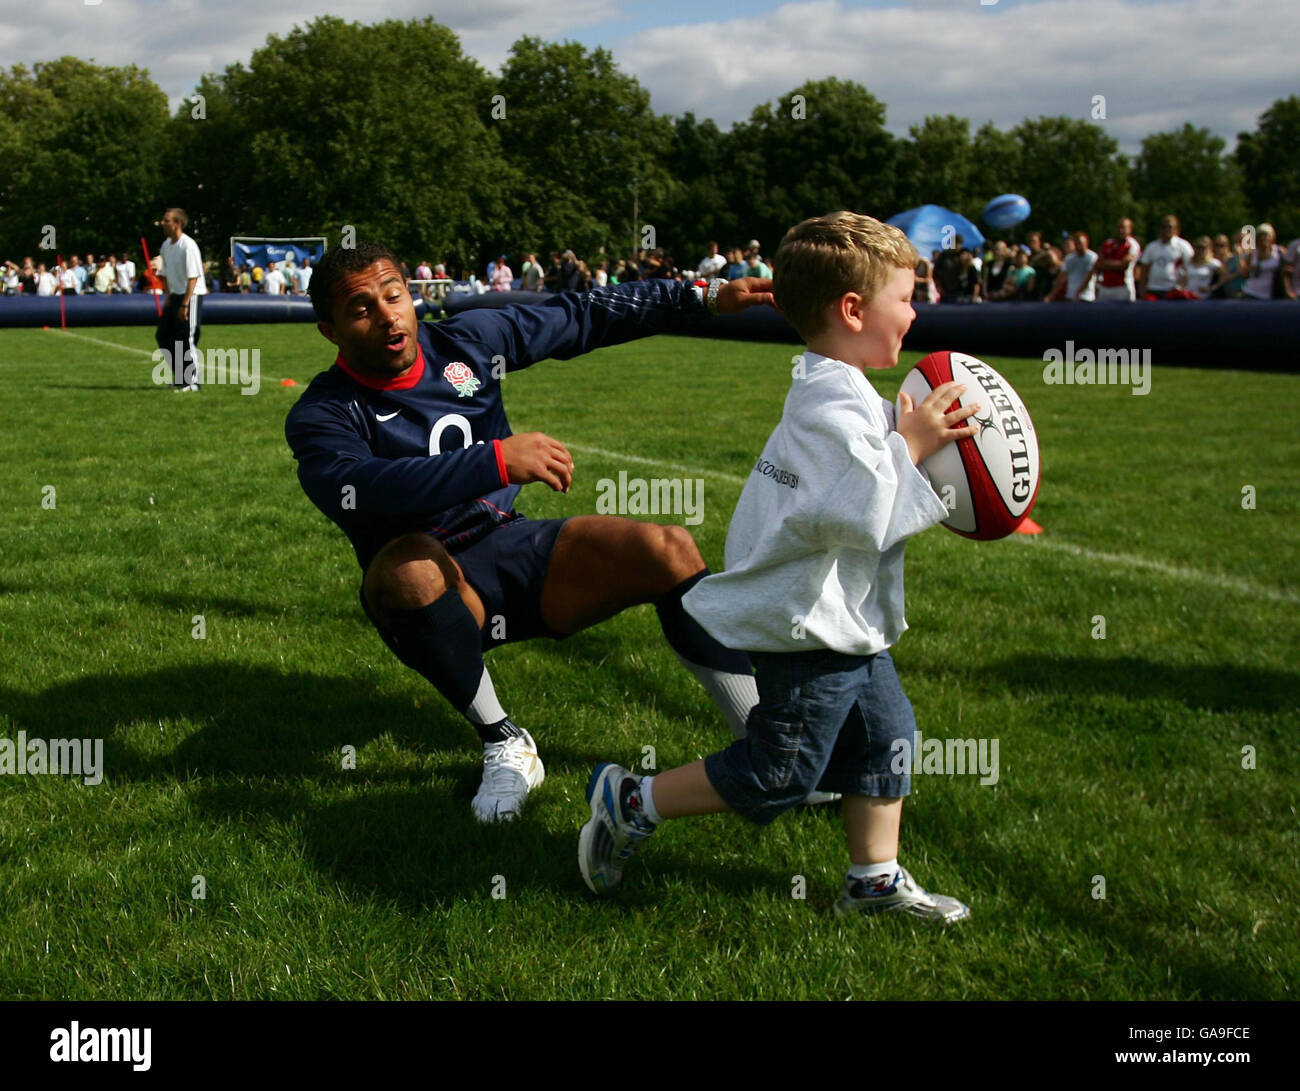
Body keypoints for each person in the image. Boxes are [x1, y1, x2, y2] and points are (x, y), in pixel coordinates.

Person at [285, 241, 777, 823]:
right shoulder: (324, 411)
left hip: (508, 546)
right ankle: (504, 741)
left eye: (394, 294)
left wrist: (699, 295)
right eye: (361, 308)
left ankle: (768, 750)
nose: (388, 314)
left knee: (665, 549)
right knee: (408, 568)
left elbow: (583, 313)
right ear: (330, 330)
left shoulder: (468, 342)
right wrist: (491, 462)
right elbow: (357, 487)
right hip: (430, 586)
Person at [577, 211, 977, 923]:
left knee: (886, 739)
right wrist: (909, 447)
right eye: (907, 297)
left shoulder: (849, 389)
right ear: (852, 310)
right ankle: (631, 799)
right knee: (780, 771)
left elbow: (868, 474)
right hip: (806, 625)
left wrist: (911, 432)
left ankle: (872, 881)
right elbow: (855, 508)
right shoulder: (826, 402)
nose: (918, 312)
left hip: (846, 620)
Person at [156, 207, 207, 392]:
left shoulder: (188, 245)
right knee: (163, 335)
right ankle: (180, 377)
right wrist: (169, 297)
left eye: (166, 220)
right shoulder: (166, 246)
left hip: (191, 295)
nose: (163, 223)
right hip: (176, 295)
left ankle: (192, 382)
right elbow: (166, 274)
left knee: (186, 338)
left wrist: (185, 304)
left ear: (177, 223)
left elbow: (193, 277)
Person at [1136, 215, 1193, 299]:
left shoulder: (1183, 246)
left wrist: (1182, 286)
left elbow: (1190, 267)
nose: (1166, 229)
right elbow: (1144, 270)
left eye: (1170, 227)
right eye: (1164, 227)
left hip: (1173, 290)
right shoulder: (1151, 246)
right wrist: (1143, 290)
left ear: (1176, 229)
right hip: (1153, 289)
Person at [1240, 224, 1292, 300]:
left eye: (1266, 235)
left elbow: (1288, 268)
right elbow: (1244, 275)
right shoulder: (1253, 254)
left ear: (1272, 237)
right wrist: (1249, 268)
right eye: (1260, 236)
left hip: (1269, 295)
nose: (1263, 238)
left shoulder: (1279, 252)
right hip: (1250, 293)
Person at [1095, 217, 1141, 302]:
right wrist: (1116, 264)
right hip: (1105, 287)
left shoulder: (1133, 245)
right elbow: (1097, 265)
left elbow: (1123, 266)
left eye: (1123, 227)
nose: (1121, 230)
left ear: (1130, 229)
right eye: (1119, 227)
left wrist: (1106, 264)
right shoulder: (1107, 243)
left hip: (1123, 287)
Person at [1057, 231, 1097, 301]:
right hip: (1070, 297)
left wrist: (1078, 293)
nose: (1079, 245)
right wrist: (1051, 295)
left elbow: (1088, 277)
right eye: (1076, 243)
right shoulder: (1069, 258)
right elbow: (1062, 277)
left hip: (1086, 297)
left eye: (1081, 243)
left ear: (1086, 243)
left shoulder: (1092, 257)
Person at [1180, 236, 1221, 300]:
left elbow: (1225, 276)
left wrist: (1212, 288)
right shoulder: (1189, 263)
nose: (1200, 250)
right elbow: (1183, 281)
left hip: (1203, 298)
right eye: (1198, 248)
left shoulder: (1213, 263)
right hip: (1188, 297)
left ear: (1209, 249)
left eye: (1203, 248)